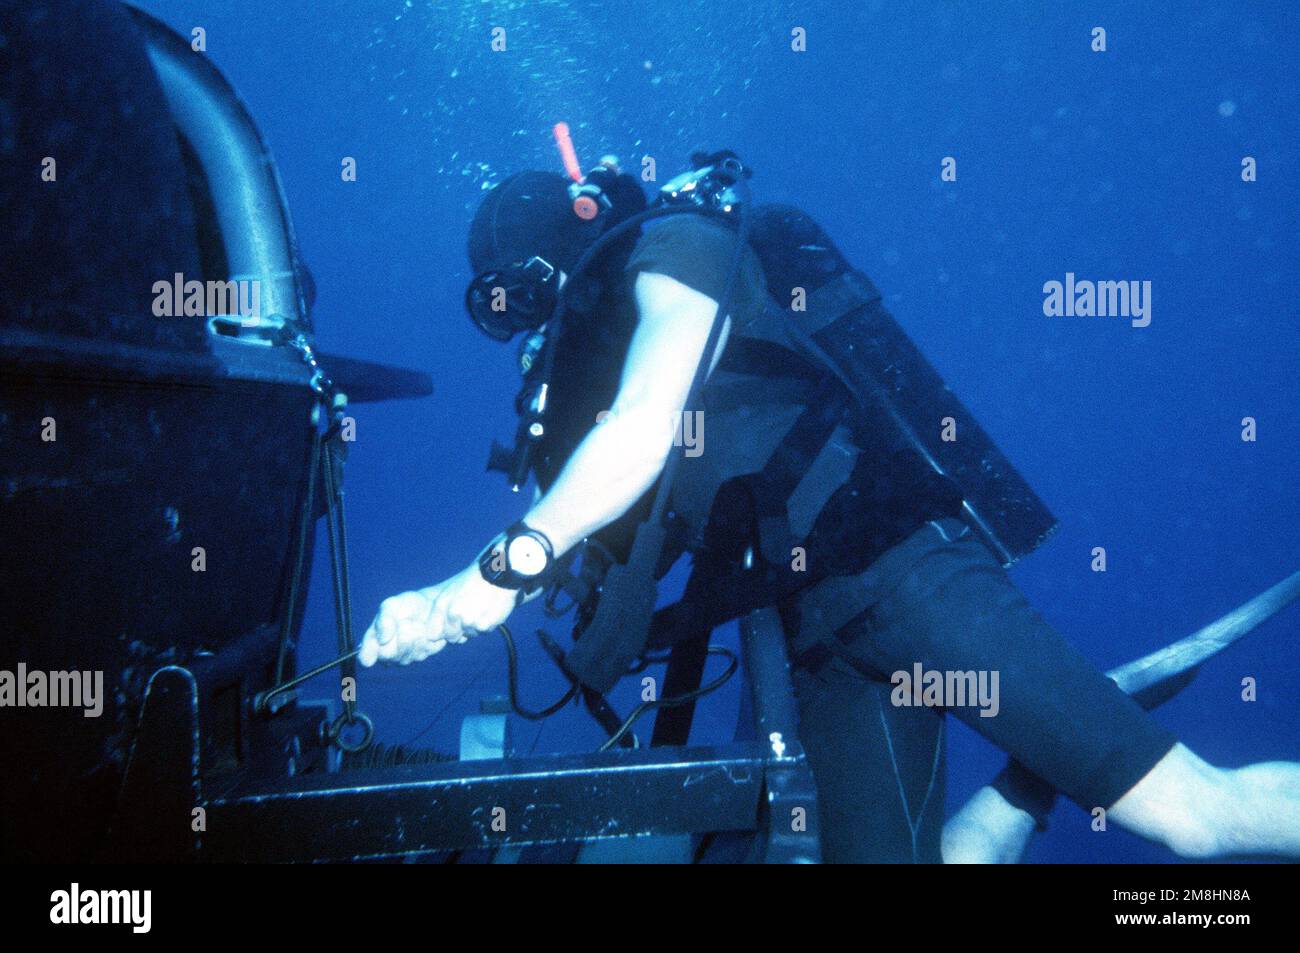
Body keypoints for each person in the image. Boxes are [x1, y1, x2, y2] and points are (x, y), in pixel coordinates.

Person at [360, 159, 1300, 863]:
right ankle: (1032, 774)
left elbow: (648, 420)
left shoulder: (678, 246)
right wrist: (462, 596)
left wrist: (490, 573)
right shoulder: (590, 379)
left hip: (902, 569)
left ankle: (1070, 747)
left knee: (1195, 819)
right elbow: (623, 524)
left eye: (528, 298)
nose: (530, 334)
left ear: (570, 245)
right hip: (811, 635)